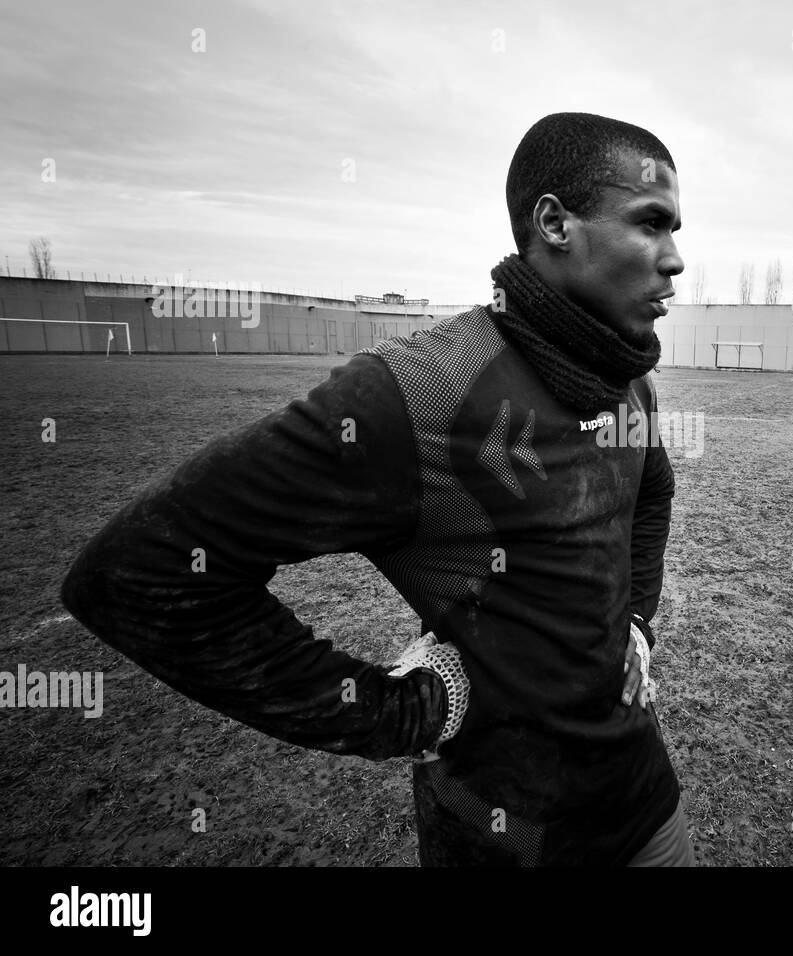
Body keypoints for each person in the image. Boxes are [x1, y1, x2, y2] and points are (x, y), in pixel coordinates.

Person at [60, 112, 693, 866]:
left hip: (646, 804)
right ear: (554, 222)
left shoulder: (625, 376)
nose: (676, 259)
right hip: (504, 833)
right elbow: (137, 572)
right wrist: (402, 713)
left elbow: (650, 495)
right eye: (651, 224)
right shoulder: (418, 393)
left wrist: (638, 629)